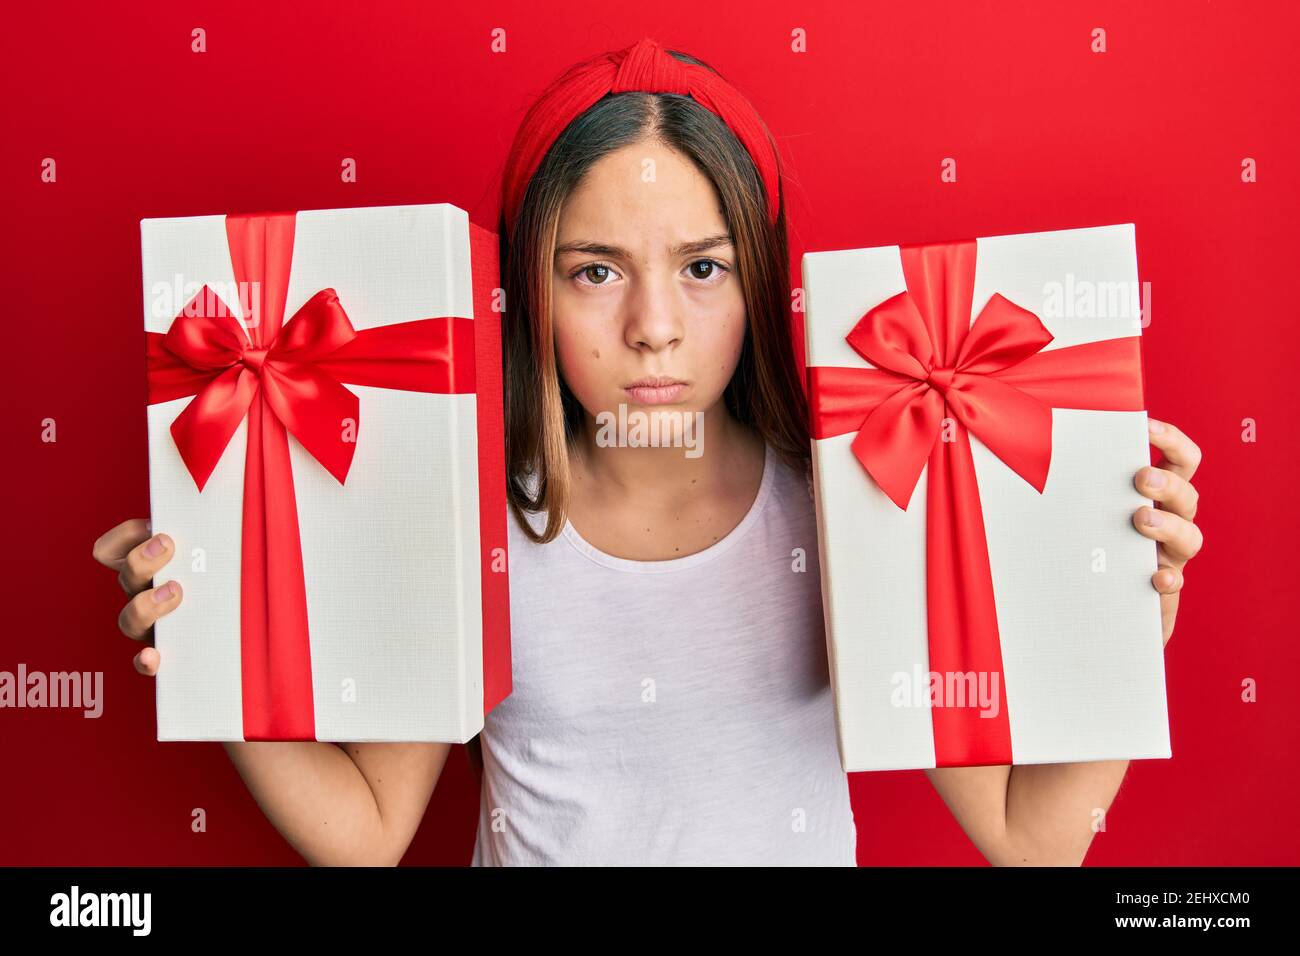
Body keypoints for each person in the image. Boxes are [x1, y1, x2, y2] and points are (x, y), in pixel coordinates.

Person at [92, 38, 1205, 866]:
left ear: (758, 278)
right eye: (596, 269)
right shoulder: (466, 515)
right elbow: (368, 835)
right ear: (528, 286)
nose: (654, 326)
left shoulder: (855, 494)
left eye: (702, 268)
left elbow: (1032, 837)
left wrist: (1122, 620)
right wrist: (212, 645)